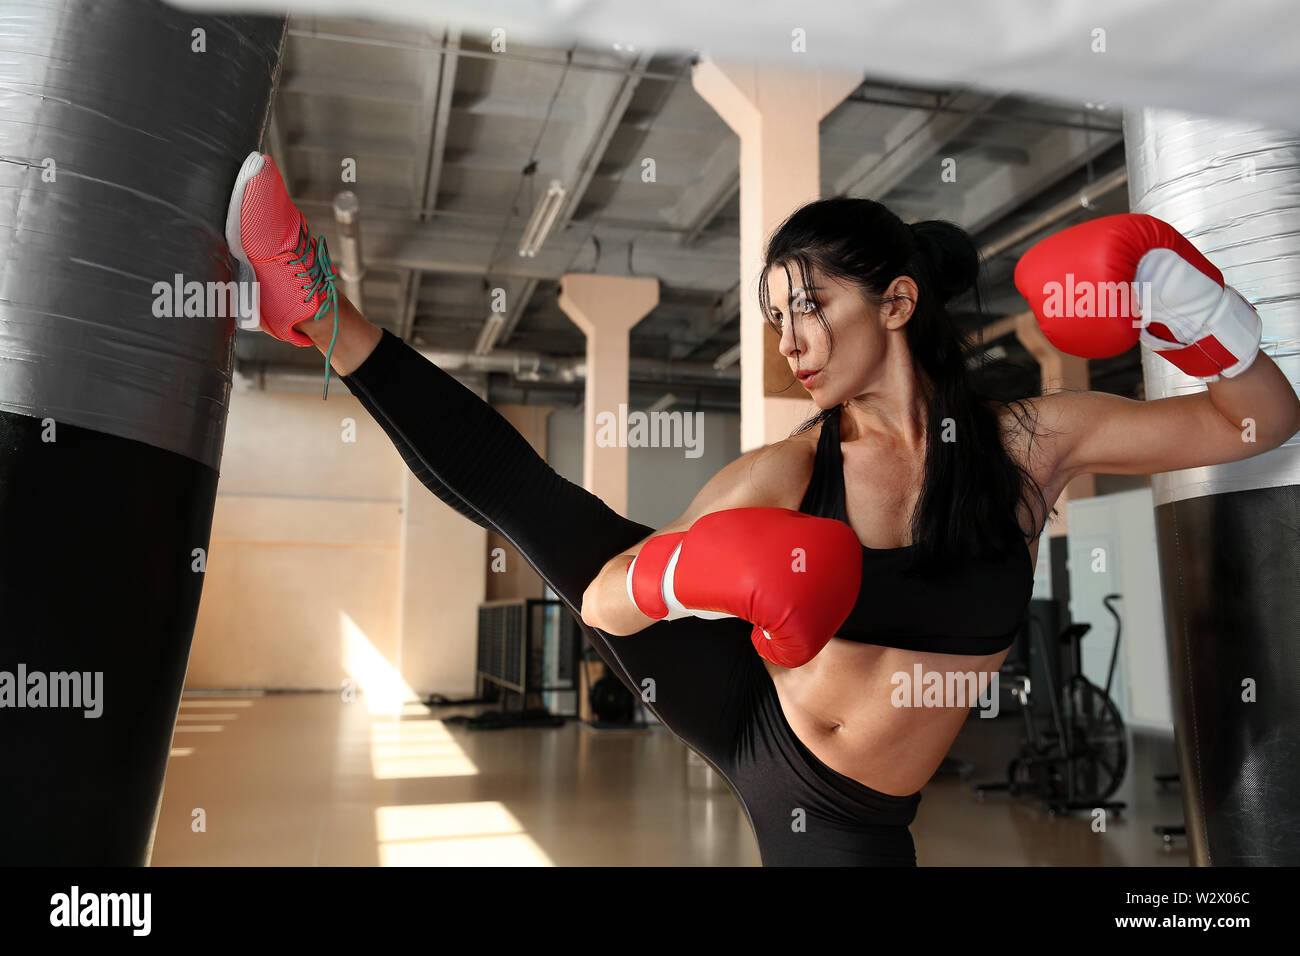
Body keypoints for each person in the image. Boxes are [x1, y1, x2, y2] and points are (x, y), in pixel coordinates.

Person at [227, 152, 1300, 865]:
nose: (788, 338)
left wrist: (1185, 302)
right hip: (760, 725)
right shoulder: (785, 472)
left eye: (810, 305)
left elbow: (1254, 422)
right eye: (774, 313)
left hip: (859, 814)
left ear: (895, 301)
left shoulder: (1031, 440)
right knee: (538, 504)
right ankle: (314, 303)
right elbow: (606, 603)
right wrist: (686, 573)